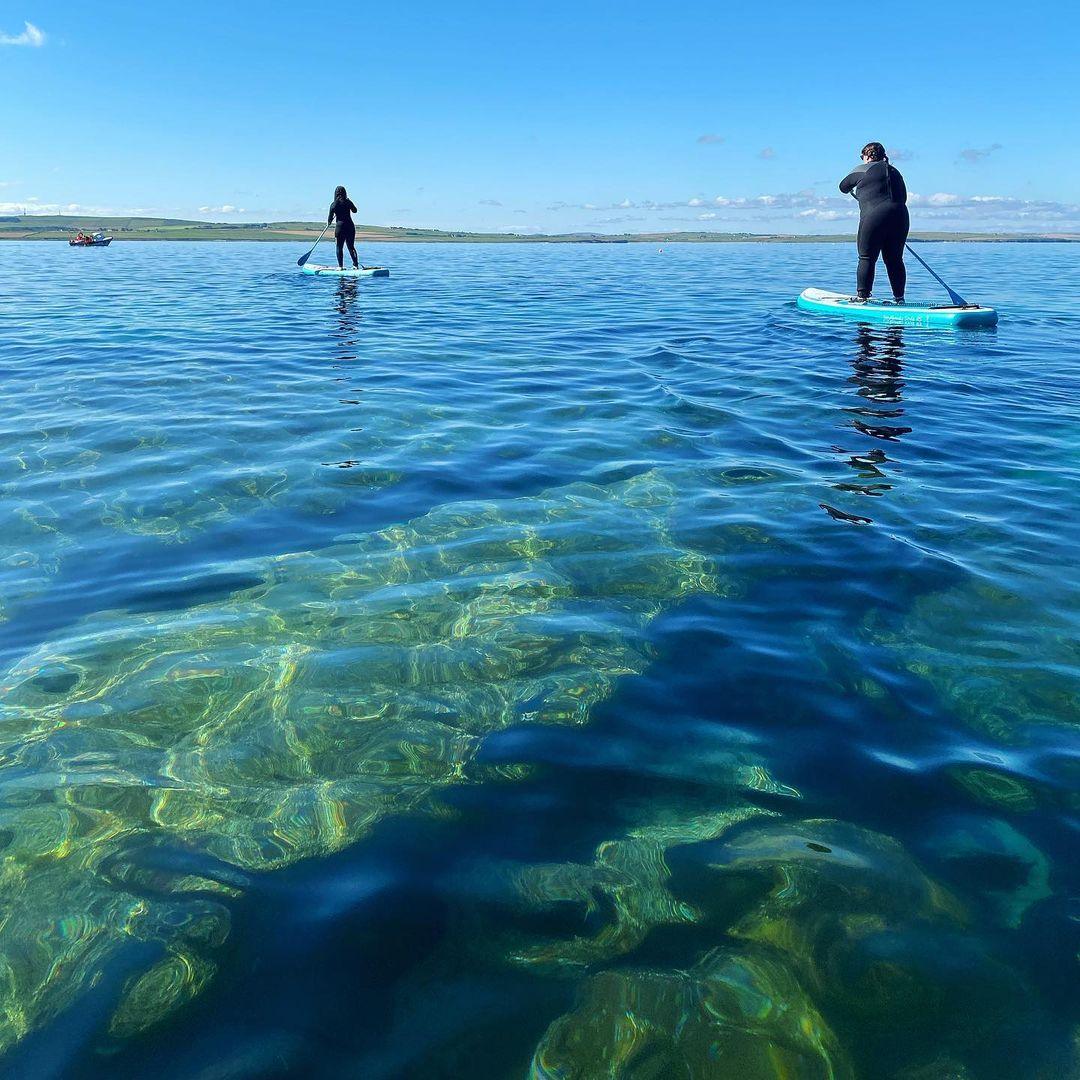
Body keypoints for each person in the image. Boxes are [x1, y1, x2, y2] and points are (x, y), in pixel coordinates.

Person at [839, 143, 909, 304]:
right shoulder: (895, 171)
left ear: (868, 156)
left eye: (862, 157)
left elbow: (843, 186)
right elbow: (903, 196)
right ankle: (899, 298)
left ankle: (862, 297)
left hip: (874, 216)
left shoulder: (864, 168)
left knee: (866, 257)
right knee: (894, 259)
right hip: (901, 216)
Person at [327, 185, 359, 270]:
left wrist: (331, 219)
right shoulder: (348, 202)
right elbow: (355, 210)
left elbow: (329, 220)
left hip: (340, 228)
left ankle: (340, 267)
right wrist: (349, 202)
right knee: (351, 247)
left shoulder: (333, 205)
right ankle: (355, 265)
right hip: (350, 227)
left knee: (339, 247)